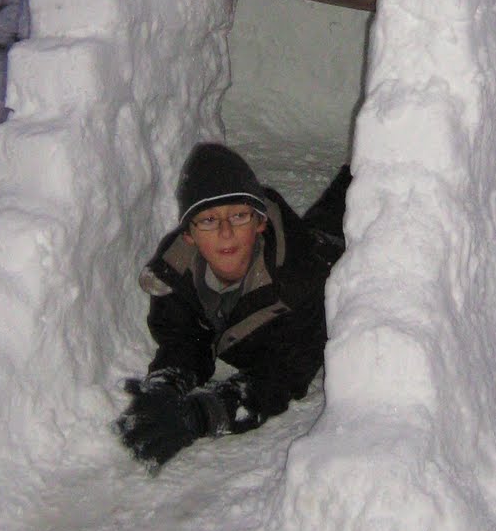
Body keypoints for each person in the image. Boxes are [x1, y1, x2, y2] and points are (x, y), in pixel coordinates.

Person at [116, 142, 349, 468]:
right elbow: (186, 339)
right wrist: (165, 387)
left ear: (260, 222)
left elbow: (281, 376)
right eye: (209, 220)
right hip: (311, 238)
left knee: (353, 197)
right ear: (189, 236)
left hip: (335, 256)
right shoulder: (177, 270)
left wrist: (202, 415)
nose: (225, 232)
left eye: (239, 216)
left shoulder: (300, 285)